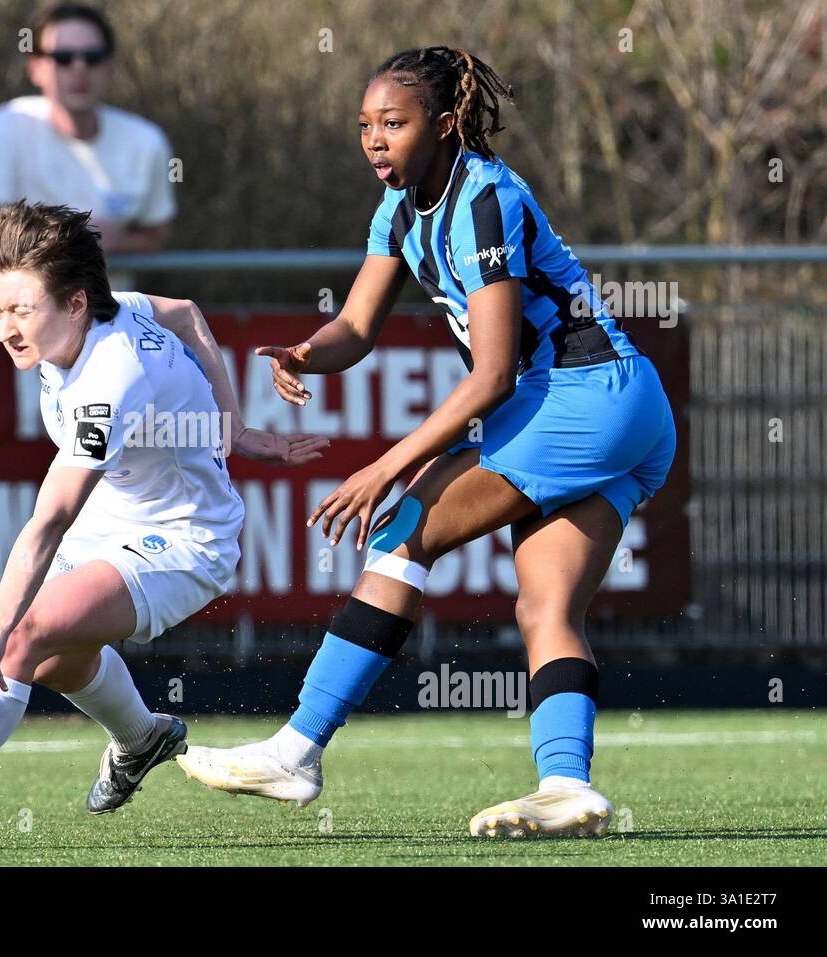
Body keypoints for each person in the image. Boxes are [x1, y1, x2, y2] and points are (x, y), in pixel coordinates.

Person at [177, 46, 677, 839]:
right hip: (626, 409)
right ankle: (567, 787)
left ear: (445, 124)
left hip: (585, 397)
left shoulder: (485, 196)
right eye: (367, 125)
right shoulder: (399, 208)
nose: (376, 139)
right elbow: (357, 326)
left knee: (401, 529)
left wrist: (388, 464)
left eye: (395, 123)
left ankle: (298, 747)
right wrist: (310, 350)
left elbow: (494, 376)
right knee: (546, 603)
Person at [0, 201, 327, 851]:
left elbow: (49, 518)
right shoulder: (100, 306)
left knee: (21, 638)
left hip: (185, 539)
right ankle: (141, 735)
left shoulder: (109, 377)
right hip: (111, 514)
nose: (7, 329)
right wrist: (232, 425)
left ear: (73, 303)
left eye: (22, 310)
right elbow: (186, 311)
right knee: (60, 655)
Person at [0, 3, 175, 311]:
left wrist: (119, 241)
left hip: (101, 323)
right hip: (1, 325)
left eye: (93, 57)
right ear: (35, 67)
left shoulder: (147, 141)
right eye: (62, 57)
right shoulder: (2, 126)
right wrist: (83, 239)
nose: (79, 68)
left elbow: (154, 236)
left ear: (110, 66)